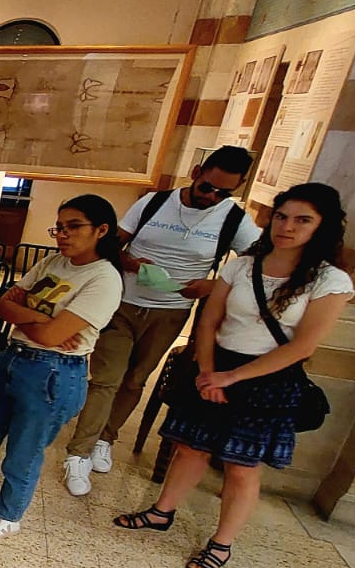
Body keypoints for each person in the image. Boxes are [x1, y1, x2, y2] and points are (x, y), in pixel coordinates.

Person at [114, 183, 353, 568]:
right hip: (216, 365)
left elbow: (303, 346)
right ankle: (161, 511)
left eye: (302, 220)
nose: (287, 227)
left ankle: (222, 543)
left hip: (268, 376)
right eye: (281, 217)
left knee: (240, 464)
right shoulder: (243, 265)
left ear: (321, 227)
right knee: (190, 448)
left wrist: (231, 378)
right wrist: (208, 372)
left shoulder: (329, 280)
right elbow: (209, 320)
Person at [62, 146, 260, 496]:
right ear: (196, 172)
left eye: (223, 193)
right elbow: (110, 244)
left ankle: (106, 437)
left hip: (171, 311)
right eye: (206, 187)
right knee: (107, 378)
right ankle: (78, 453)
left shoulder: (234, 220)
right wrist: (131, 264)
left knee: (135, 380)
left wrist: (214, 285)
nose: (211, 196)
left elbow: (258, 265)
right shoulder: (154, 203)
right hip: (122, 302)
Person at [0, 196, 124, 539]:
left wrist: (42, 325)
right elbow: (3, 305)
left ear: (101, 230)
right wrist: (46, 320)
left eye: (74, 226)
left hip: (54, 372)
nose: (63, 234)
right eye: (59, 227)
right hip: (14, 357)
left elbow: (50, 337)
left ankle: (9, 516)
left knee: (24, 450)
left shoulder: (104, 278)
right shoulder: (53, 262)